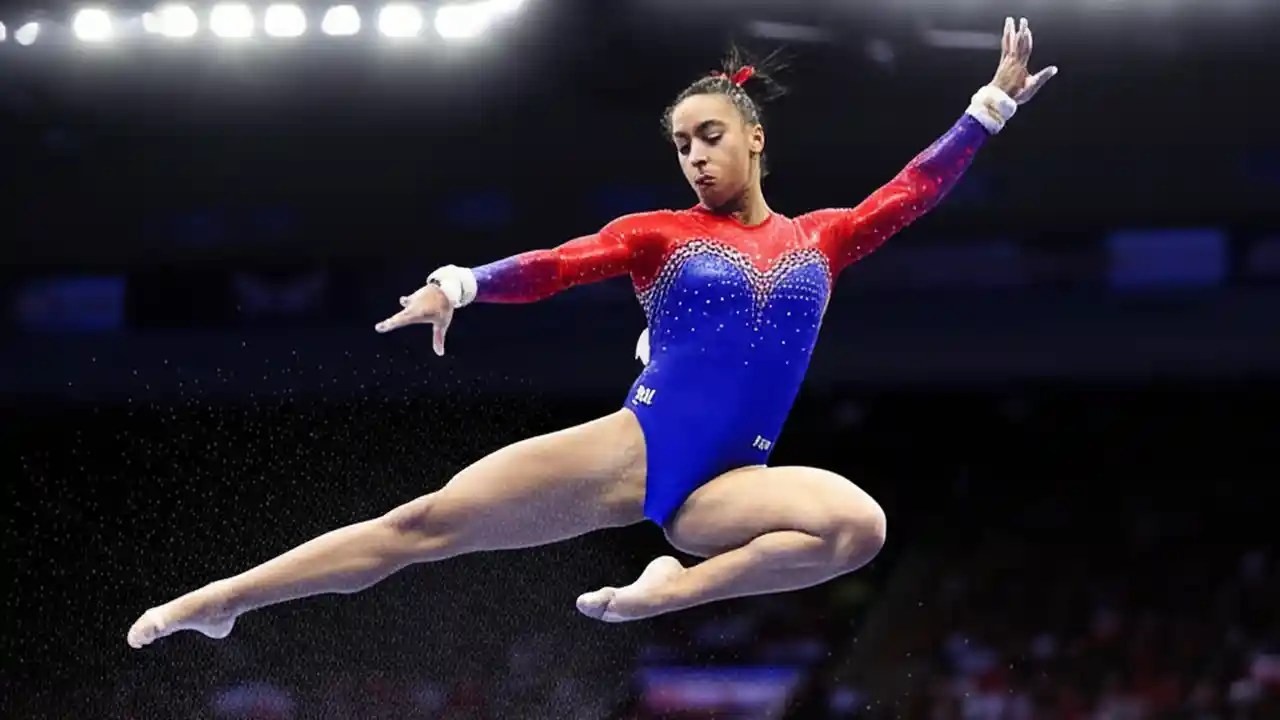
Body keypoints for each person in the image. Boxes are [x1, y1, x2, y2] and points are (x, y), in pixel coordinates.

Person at [127, 17, 1056, 647]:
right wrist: (465, 284)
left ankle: (671, 588)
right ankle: (223, 602)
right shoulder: (660, 235)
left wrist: (990, 107)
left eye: (710, 136)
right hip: (633, 448)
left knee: (859, 528)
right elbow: (561, 263)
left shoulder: (824, 238)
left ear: (754, 137)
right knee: (421, 526)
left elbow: (910, 193)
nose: (695, 157)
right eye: (681, 146)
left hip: (725, 488)